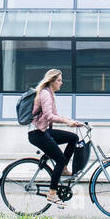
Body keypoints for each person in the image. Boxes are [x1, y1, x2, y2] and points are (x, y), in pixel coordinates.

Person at [27, 68, 86, 207]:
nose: (61, 83)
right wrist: (67, 122)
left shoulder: (50, 94)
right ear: (52, 81)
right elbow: (49, 116)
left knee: (73, 138)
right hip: (37, 134)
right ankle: (52, 193)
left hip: (43, 131)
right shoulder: (45, 94)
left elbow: (53, 117)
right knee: (60, 159)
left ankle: (64, 168)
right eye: (59, 80)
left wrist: (72, 121)